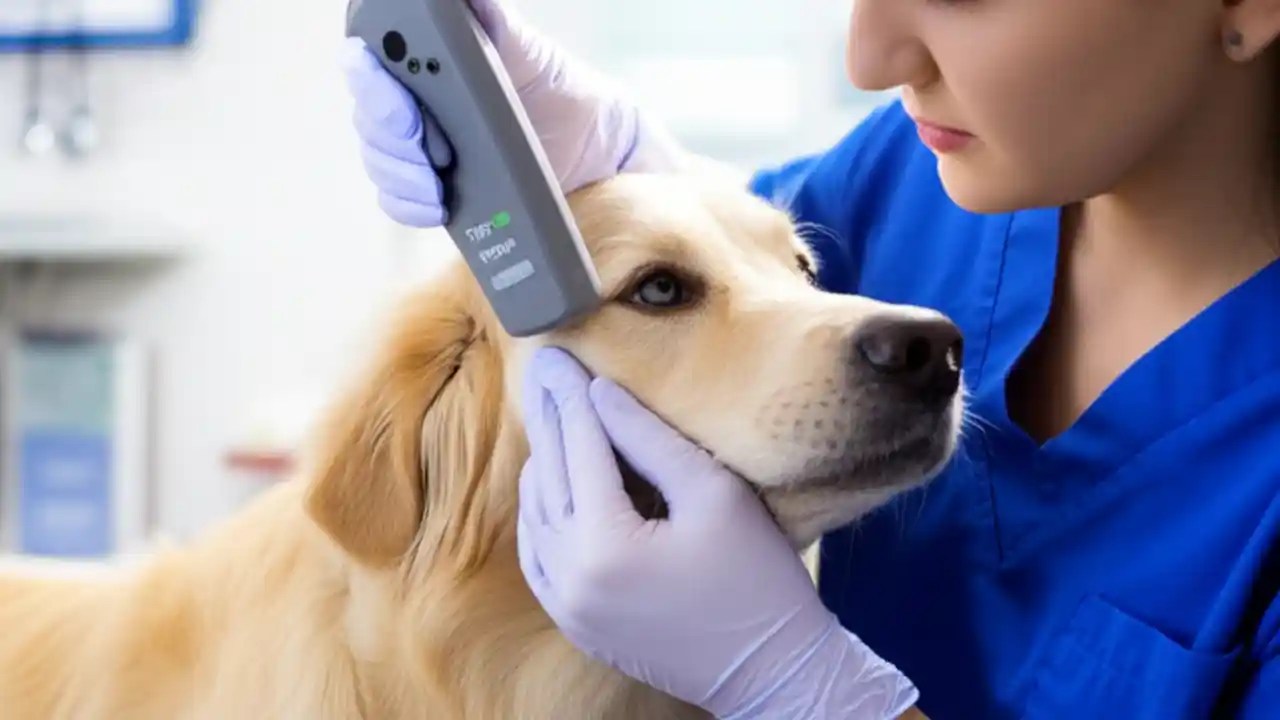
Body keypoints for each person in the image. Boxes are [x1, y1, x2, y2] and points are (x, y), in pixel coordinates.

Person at [341, 0, 1280, 717]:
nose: (868, 57)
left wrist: (808, 693)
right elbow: (748, 308)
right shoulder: (927, 169)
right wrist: (635, 176)